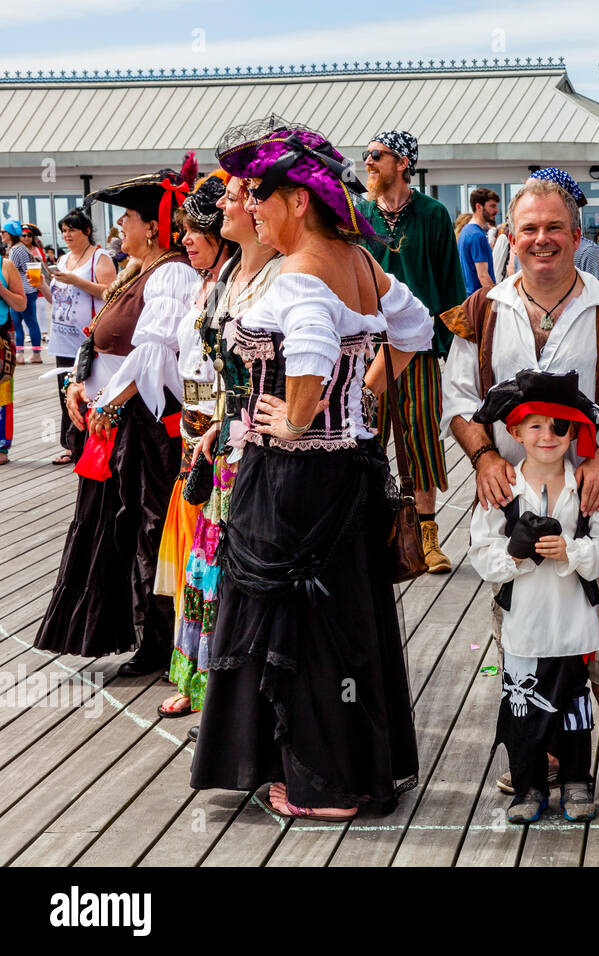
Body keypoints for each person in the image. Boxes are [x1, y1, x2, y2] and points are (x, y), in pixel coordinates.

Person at [190, 118, 431, 820]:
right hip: (351, 466)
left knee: (294, 625)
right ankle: (353, 765)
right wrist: (362, 394)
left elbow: (311, 361)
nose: (253, 204)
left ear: (299, 200)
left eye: (261, 193)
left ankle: (319, 782)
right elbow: (414, 330)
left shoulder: (299, 273)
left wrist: (295, 417)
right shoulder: (359, 261)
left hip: (295, 477)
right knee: (342, 622)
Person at [441, 178, 599, 825]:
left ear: (576, 235)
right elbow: (458, 400)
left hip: (596, 502)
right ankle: (539, 759)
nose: (540, 239)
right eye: (528, 229)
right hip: (512, 506)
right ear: (510, 237)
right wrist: (485, 456)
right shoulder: (481, 311)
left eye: (553, 228)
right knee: (523, 635)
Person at [36, 157, 202, 673]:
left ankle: (159, 638)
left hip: (148, 426)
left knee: (147, 524)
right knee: (118, 523)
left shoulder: (170, 273)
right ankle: (137, 632)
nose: (120, 227)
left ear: (153, 227)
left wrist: (106, 401)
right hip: (120, 420)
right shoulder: (144, 270)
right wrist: (77, 386)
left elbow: (154, 355)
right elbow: (105, 344)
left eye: (128, 218)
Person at [469, 370, 599, 823]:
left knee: (574, 708)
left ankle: (576, 780)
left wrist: (570, 550)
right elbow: (481, 551)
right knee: (522, 708)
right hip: (524, 626)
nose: (547, 435)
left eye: (559, 426)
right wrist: (514, 555)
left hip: (573, 624)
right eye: (535, 425)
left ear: (573, 432)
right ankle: (528, 785)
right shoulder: (503, 490)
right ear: (514, 432)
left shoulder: (587, 488)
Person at [359, 129, 465, 574]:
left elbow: (449, 284)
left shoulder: (433, 214)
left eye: (376, 155)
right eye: (366, 155)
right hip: (368, 347)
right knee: (366, 437)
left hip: (419, 347)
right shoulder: (360, 213)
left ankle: (426, 537)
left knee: (421, 437)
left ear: (403, 162)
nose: (368, 162)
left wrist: (450, 344)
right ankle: (367, 536)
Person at [154, 171, 235, 719]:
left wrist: (211, 421)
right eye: (183, 230)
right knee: (197, 558)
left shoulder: (236, 283)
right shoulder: (202, 284)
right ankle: (193, 672)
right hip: (195, 429)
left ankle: (214, 679)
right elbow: (193, 368)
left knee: (215, 557)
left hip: (226, 437)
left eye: (196, 230)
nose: (185, 239)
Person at [47, 208, 117, 465]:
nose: (66, 235)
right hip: (62, 336)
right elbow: (58, 297)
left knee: (86, 390)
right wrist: (42, 286)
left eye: (71, 230)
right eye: (63, 231)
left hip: (86, 339)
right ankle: (70, 443)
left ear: (86, 231)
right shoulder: (64, 260)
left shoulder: (100, 258)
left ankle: (88, 441)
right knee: (65, 391)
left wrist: (76, 280)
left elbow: (110, 293)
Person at [0, 246, 25, 465]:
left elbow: (21, 303)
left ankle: (1, 446)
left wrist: (2, 290)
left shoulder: (5, 265)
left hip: (1, 336)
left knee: (3, 392)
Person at [7, 221, 45, 363]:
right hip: (21, 290)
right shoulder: (19, 249)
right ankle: (21, 354)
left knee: (29, 322)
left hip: (24, 290)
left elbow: (25, 269)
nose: (26, 237)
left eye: (29, 235)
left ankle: (35, 354)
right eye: (24, 235)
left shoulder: (17, 250)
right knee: (18, 323)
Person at [458, 187, 500, 294]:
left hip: (469, 298)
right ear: (478, 207)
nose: (496, 210)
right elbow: (483, 276)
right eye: (492, 206)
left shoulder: (465, 231)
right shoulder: (477, 236)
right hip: (479, 301)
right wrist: (496, 301)